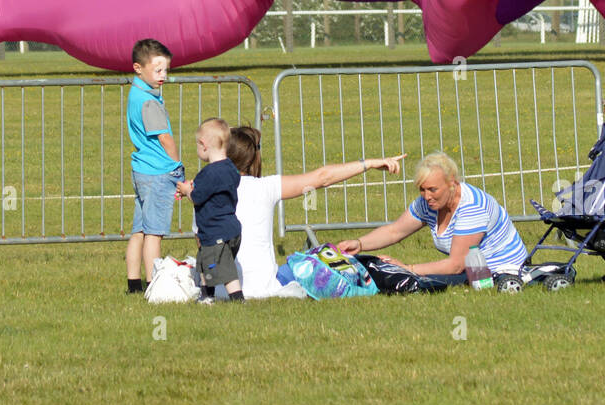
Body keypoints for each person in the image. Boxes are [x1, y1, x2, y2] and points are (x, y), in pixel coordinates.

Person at [225, 126, 403, 299]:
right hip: (264, 288)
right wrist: (370, 163)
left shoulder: (204, 190)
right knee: (318, 258)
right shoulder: (264, 187)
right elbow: (323, 177)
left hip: (221, 287)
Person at [335, 151, 527, 282]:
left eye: (433, 189)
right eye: (422, 189)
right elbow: (395, 231)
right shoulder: (429, 202)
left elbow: (455, 265)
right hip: (472, 272)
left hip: (503, 273)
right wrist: (359, 244)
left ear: (452, 183)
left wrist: (406, 268)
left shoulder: (472, 207)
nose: (427, 196)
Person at [124, 38, 183, 294]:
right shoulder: (149, 101)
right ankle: (153, 285)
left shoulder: (136, 92)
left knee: (139, 230)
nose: (164, 76)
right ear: (139, 68)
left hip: (141, 170)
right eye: (158, 70)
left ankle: (133, 283)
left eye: (166, 70)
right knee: (154, 234)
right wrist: (177, 166)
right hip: (159, 170)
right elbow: (165, 138)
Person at [176, 117, 243, 303]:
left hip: (216, 231)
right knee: (205, 263)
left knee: (224, 269)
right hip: (232, 229)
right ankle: (206, 296)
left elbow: (196, 197)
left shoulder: (208, 173)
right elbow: (214, 189)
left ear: (203, 144)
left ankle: (238, 299)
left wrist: (186, 190)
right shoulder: (231, 168)